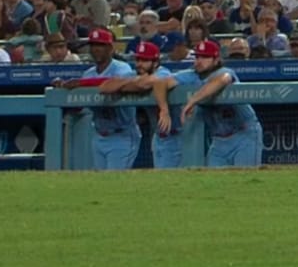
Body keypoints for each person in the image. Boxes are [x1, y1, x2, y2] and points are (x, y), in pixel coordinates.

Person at [150, 40, 263, 167]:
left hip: (244, 133)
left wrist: (193, 100)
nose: (199, 61)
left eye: (205, 57)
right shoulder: (191, 75)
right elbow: (160, 83)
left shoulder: (224, 71)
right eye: (197, 57)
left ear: (216, 60)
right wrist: (164, 110)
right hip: (219, 140)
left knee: (245, 180)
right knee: (214, 181)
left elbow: (222, 80)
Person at [51, 28, 140, 170]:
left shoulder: (121, 67)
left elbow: (113, 82)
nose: (96, 49)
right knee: (101, 184)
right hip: (99, 135)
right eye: (93, 45)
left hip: (122, 134)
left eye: (100, 45)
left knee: (114, 182)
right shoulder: (88, 73)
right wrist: (62, 90)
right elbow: (79, 106)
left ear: (110, 48)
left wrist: (80, 83)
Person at [97, 41, 182, 169]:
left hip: (178, 136)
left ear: (155, 62)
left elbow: (145, 84)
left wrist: (126, 84)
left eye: (144, 60)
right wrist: (132, 81)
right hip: (159, 137)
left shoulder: (164, 73)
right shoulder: (135, 74)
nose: (139, 64)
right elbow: (105, 87)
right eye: (138, 60)